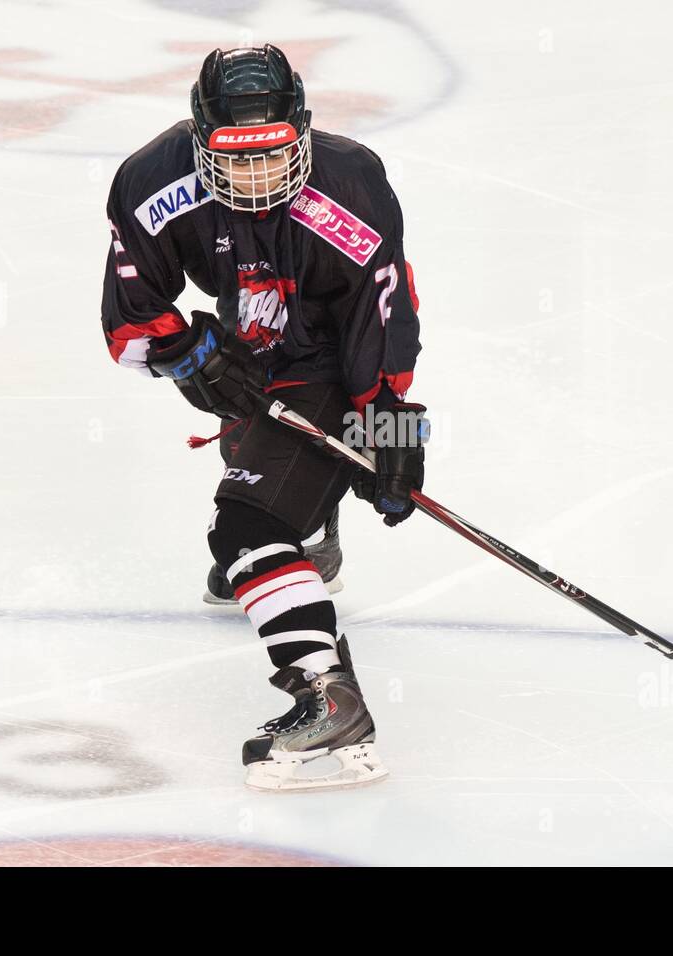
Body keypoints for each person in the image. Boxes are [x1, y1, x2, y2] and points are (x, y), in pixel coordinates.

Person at [99, 44, 425, 791]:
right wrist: (187, 353)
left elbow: (386, 315)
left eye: (272, 153)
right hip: (244, 338)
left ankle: (328, 699)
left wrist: (391, 431)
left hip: (329, 358)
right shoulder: (152, 181)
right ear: (198, 138)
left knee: (246, 526)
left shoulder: (352, 183)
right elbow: (129, 313)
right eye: (233, 157)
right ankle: (310, 528)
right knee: (267, 495)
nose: (255, 174)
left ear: (300, 131)